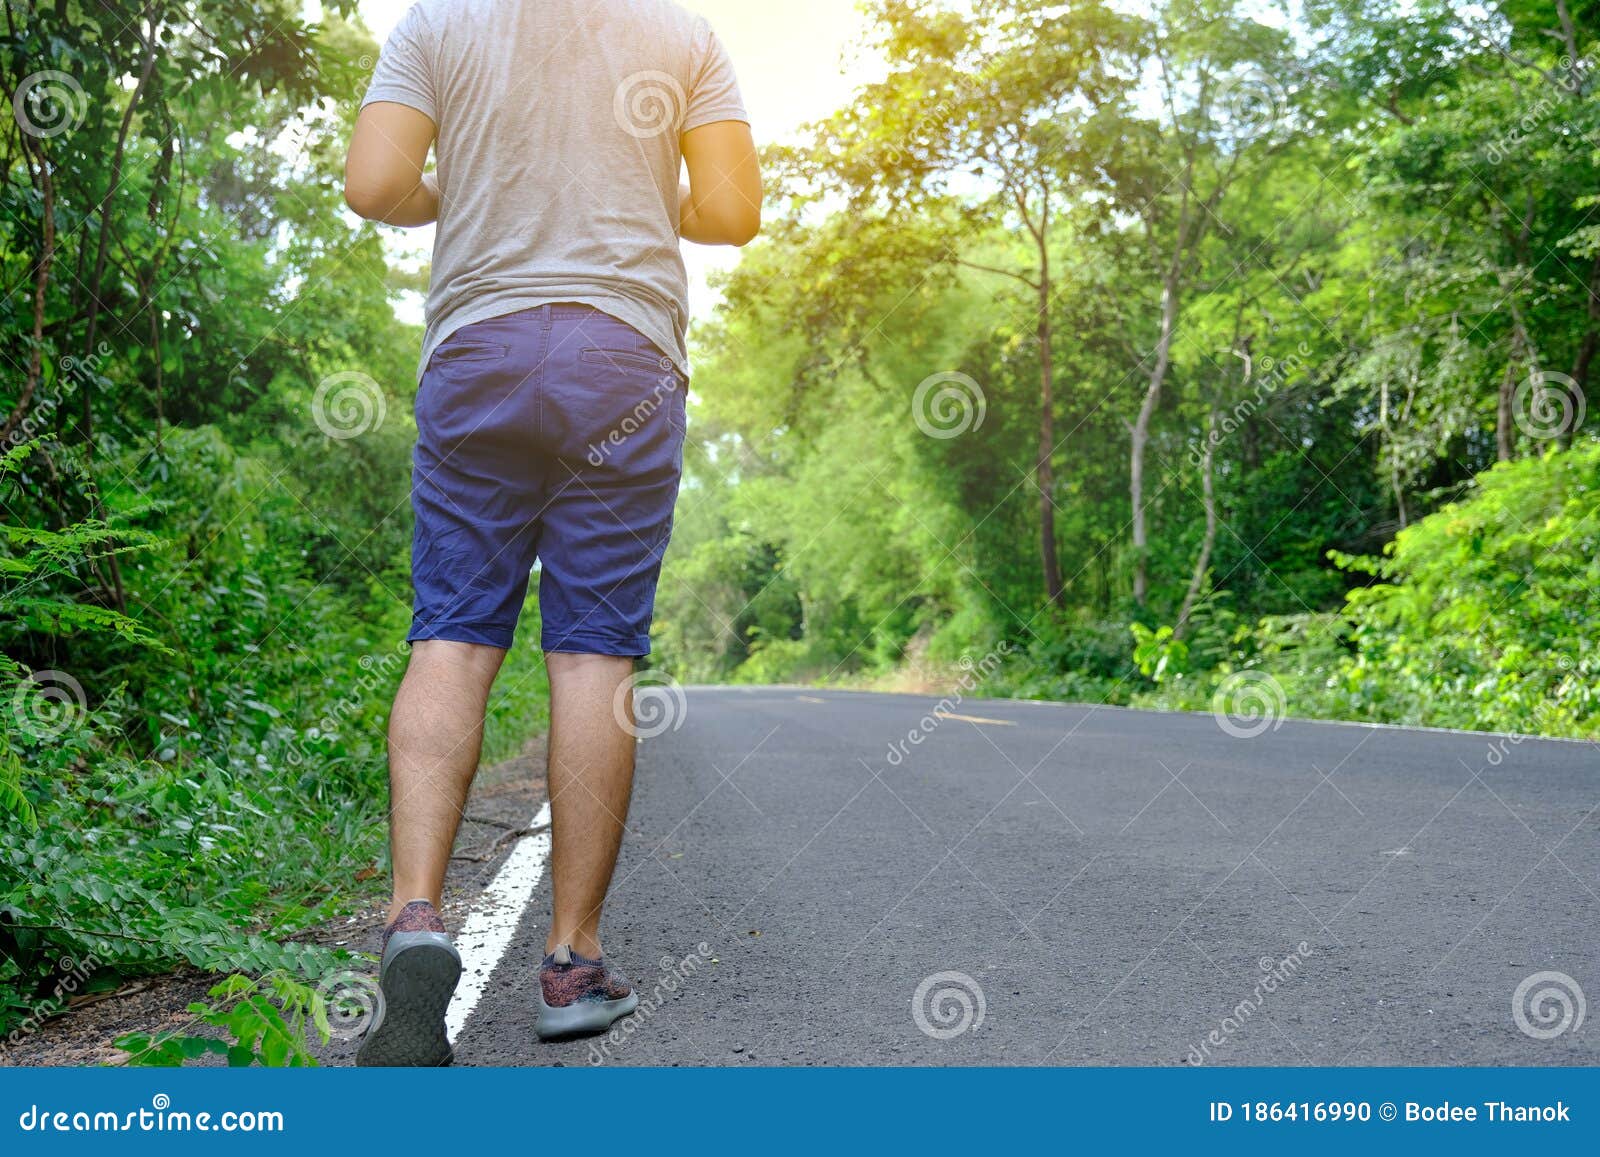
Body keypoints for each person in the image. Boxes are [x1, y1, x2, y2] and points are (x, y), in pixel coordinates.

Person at [340, 0, 761, 1066]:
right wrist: (645, 194)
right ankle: (572, 962)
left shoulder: (434, 26)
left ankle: (417, 919)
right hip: (620, 355)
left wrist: (462, 192)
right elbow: (732, 209)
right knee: (591, 653)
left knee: (451, 635)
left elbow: (375, 185)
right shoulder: (683, 38)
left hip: (477, 348)